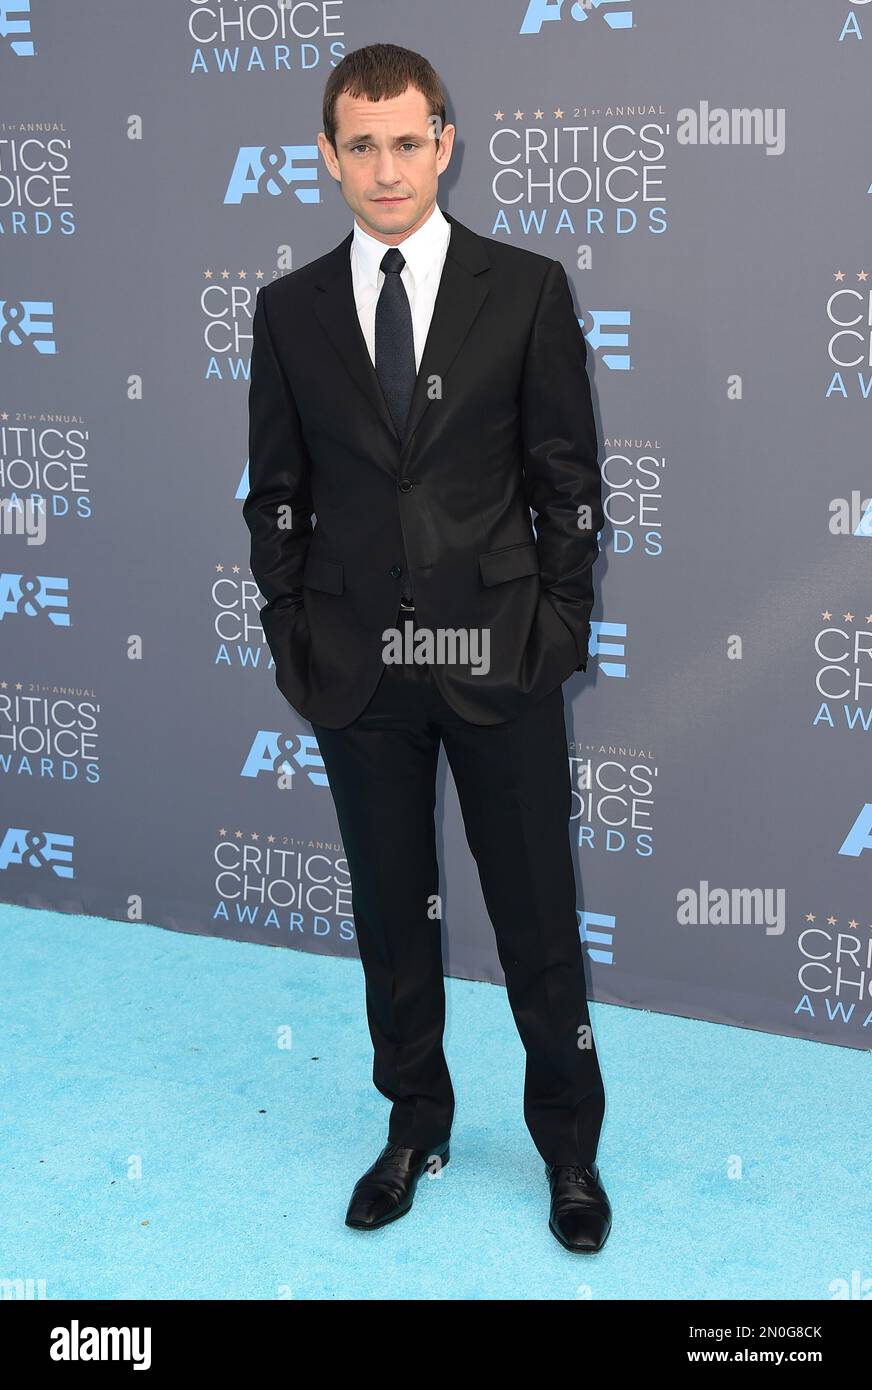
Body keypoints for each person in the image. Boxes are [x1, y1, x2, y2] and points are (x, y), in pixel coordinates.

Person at [244, 42, 610, 1253]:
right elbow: (277, 492)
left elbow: (566, 484)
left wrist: (553, 634)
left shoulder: (526, 289)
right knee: (392, 919)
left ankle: (566, 1149)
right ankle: (414, 1124)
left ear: (444, 143)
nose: (387, 166)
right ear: (328, 157)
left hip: (498, 654)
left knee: (536, 920)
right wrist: (290, 630)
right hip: (358, 670)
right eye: (363, 144)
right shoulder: (288, 309)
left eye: (409, 141)